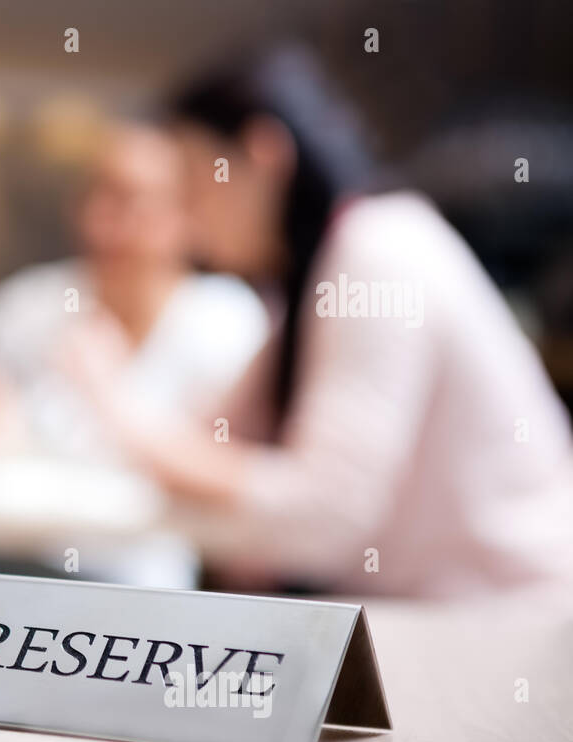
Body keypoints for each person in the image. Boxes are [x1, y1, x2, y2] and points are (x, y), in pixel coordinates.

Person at [77, 47, 573, 597]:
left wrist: (115, 404)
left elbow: (323, 518)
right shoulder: (315, 276)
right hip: (428, 621)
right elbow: (214, 452)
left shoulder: (378, 253)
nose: (189, 222)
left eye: (195, 183)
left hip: (500, 627)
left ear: (262, 155)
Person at [0, 122, 267, 461]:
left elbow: (236, 463)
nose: (101, 223)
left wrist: (111, 398)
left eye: (129, 201)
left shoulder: (230, 323)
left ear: (186, 214)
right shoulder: (22, 309)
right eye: (92, 196)